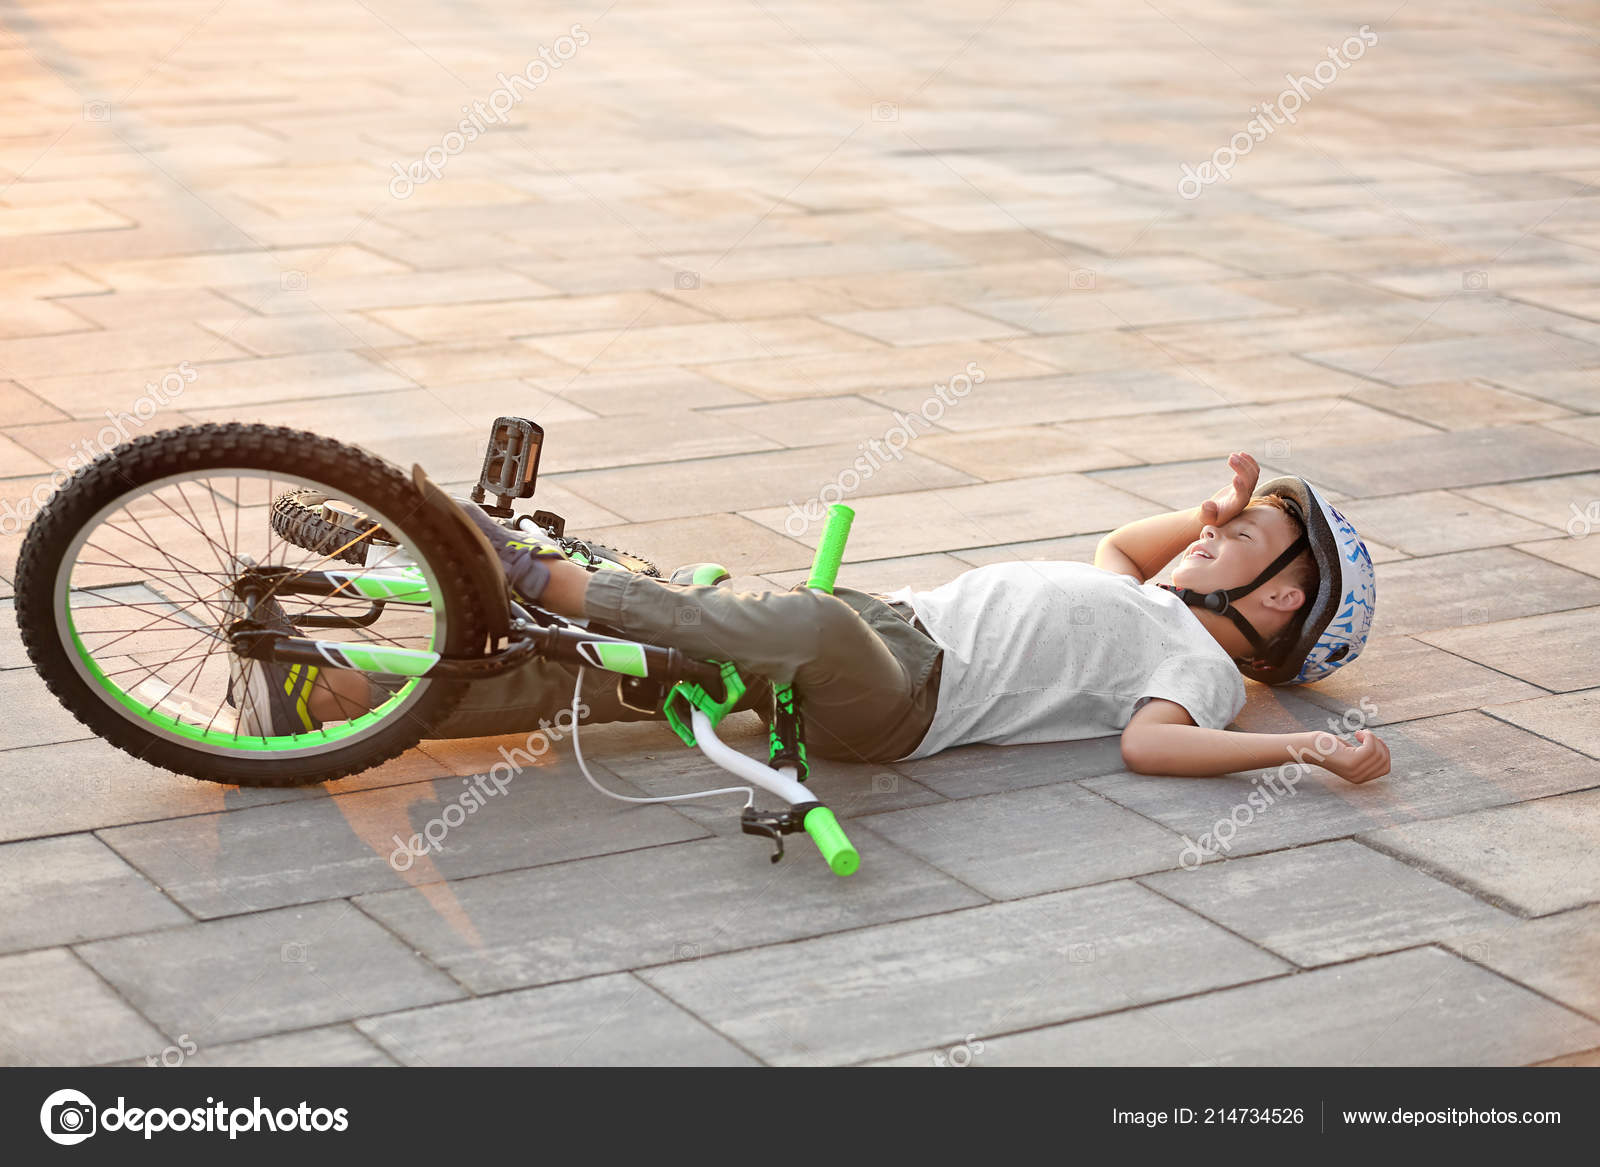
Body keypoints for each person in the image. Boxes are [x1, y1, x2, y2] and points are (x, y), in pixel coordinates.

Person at [241, 452, 1388, 783]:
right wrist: (1220, 510)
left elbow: (1151, 746)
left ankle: (525, 576)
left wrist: (1298, 750)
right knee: (652, 655)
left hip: (901, 700)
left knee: (789, 628)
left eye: (1241, 537)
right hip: (873, 621)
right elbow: (1137, 546)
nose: (1205, 533)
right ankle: (332, 683)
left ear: (1281, 599)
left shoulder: (1200, 667)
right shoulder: (1146, 589)